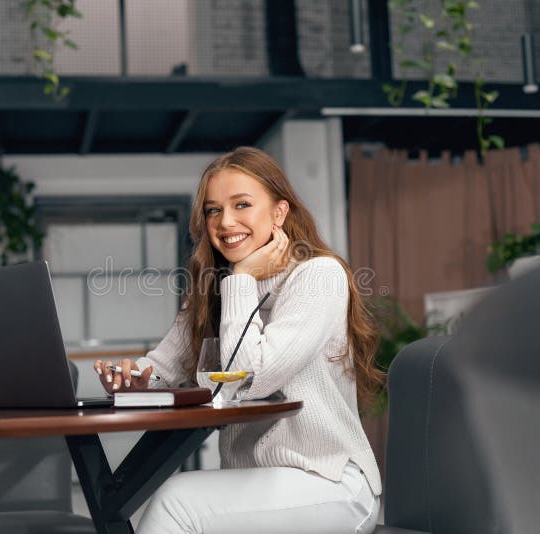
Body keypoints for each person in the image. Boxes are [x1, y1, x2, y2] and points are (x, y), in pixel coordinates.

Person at [94, 146, 383, 534]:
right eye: (214, 210)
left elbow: (249, 380)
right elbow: (163, 365)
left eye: (242, 204)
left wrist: (242, 278)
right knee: (172, 499)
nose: (226, 221)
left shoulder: (317, 276)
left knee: (177, 503)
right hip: (255, 486)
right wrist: (135, 377)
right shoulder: (213, 288)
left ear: (279, 212)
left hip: (328, 482)